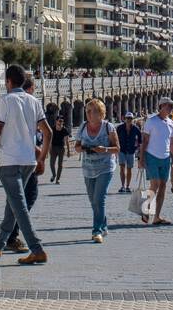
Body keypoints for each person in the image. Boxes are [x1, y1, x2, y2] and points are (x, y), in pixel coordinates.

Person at [0, 65, 51, 265]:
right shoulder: (33, 101)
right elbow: (48, 132)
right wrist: (42, 157)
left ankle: (37, 248)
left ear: (8, 82)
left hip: (9, 160)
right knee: (13, 205)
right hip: (28, 162)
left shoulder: (4, 101)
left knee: (19, 206)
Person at [5, 76, 45, 251]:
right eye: (33, 89)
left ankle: (10, 236)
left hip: (16, 161)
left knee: (18, 199)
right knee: (26, 199)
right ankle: (11, 237)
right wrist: (40, 155)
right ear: (28, 89)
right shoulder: (28, 105)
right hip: (25, 161)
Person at [76, 99, 119, 242]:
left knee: (99, 199)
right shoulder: (82, 127)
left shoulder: (108, 127)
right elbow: (76, 146)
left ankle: (97, 231)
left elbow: (117, 148)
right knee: (93, 201)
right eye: (87, 111)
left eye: (92, 111)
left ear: (101, 114)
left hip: (105, 167)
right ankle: (104, 224)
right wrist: (82, 148)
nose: (88, 114)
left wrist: (104, 149)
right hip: (88, 168)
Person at [140, 98, 173, 225]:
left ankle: (157, 216)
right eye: (168, 106)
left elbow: (172, 141)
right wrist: (141, 158)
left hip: (166, 157)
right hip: (152, 155)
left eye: (172, 107)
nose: (170, 108)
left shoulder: (170, 123)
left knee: (163, 186)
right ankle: (146, 210)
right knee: (154, 184)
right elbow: (144, 140)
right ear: (161, 106)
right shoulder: (151, 121)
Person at [115, 111, 141, 193]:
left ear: (133, 119)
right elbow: (115, 138)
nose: (129, 120)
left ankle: (128, 186)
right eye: (127, 118)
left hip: (131, 151)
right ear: (124, 119)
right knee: (122, 168)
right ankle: (122, 186)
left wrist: (137, 148)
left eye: (130, 118)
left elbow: (140, 140)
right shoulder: (119, 128)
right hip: (122, 150)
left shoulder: (136, 129)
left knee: (129, 169)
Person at [47, 103, 69, 183]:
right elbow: (49, 139)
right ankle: (54, 174)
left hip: (61, 148)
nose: (61, 122)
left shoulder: (64, 130)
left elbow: (67, 140)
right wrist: (49, 149)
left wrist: (68, 151)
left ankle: (58, 179)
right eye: (59, 121)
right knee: (52, 164)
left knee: (60, 165)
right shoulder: (52, 129)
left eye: (62, 121)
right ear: (56, 121)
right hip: (53, 147)